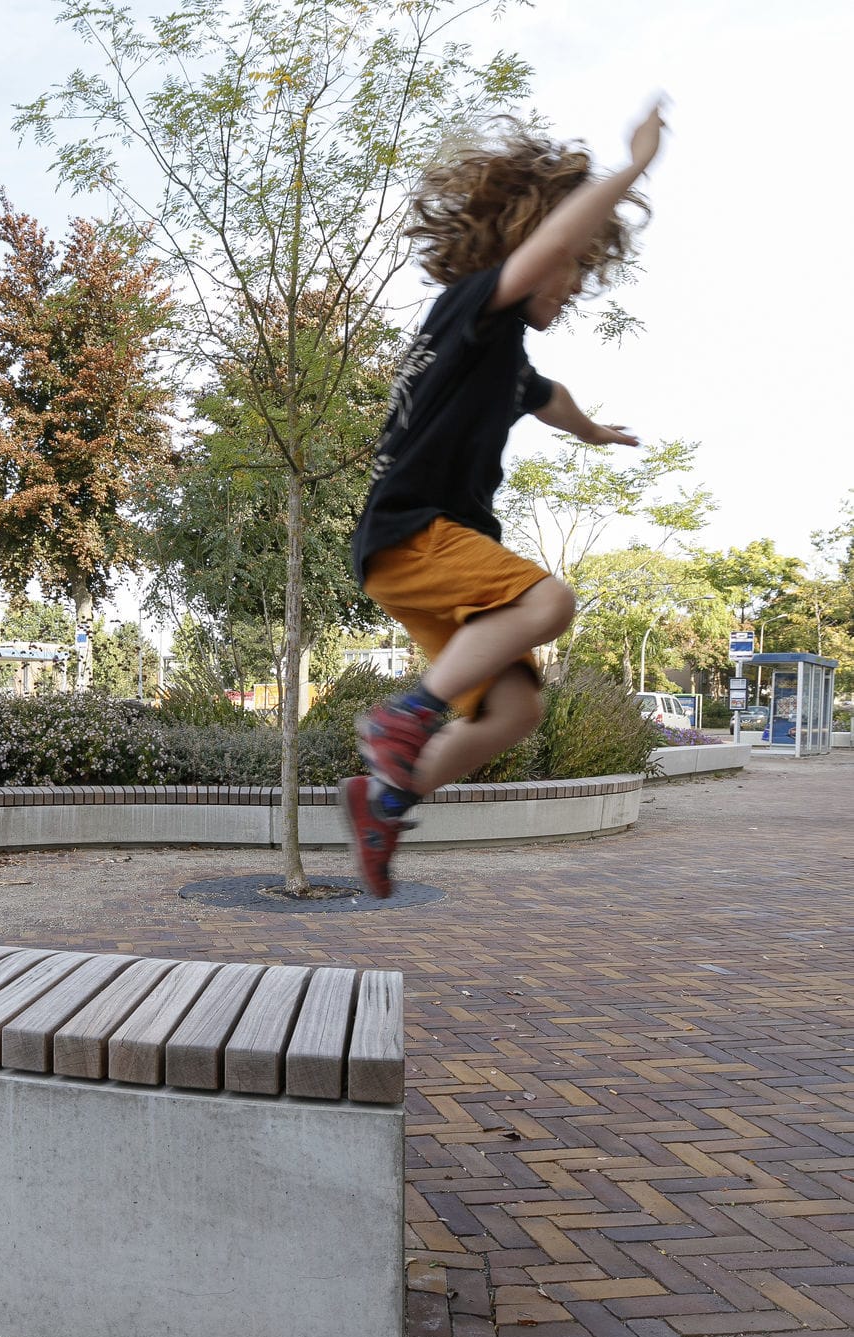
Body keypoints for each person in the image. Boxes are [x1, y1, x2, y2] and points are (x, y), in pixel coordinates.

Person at [342, 102, 667, 898]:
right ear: (534, 248)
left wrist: (591, 432)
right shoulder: (475, 307)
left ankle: (385, 800)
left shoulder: (501, 357)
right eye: (576, 266)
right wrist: (629, 172)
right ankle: (405, 716)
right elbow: (550, 244)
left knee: (516, 714)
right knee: (553, 600)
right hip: (416, 533)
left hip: (420, 554)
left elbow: (544, 395)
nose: (577, 283)